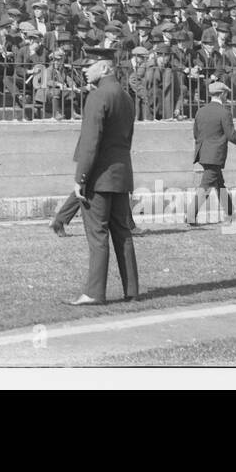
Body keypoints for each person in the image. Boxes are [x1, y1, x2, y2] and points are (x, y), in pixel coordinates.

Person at [67, 56, 140, 305]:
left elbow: (90, 142)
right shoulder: (126, 96)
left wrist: (81, 177)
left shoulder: (97, 96)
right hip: (121, 173)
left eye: (88, 66)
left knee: (97, 235)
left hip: (99, 177)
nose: (84, 71)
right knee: (122, 233)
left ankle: (94, 293)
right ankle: (131, 289)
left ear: (105, 68)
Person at [185, 80, 236, 226]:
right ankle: (191, 216)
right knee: (206, 185)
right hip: (215, 154)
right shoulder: (224, 112)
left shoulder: (201, 111)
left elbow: (195, 133)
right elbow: (231, 134)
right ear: (222, 94)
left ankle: (230, 212)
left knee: (219, 184)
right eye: (226, 94)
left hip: (203, 152)